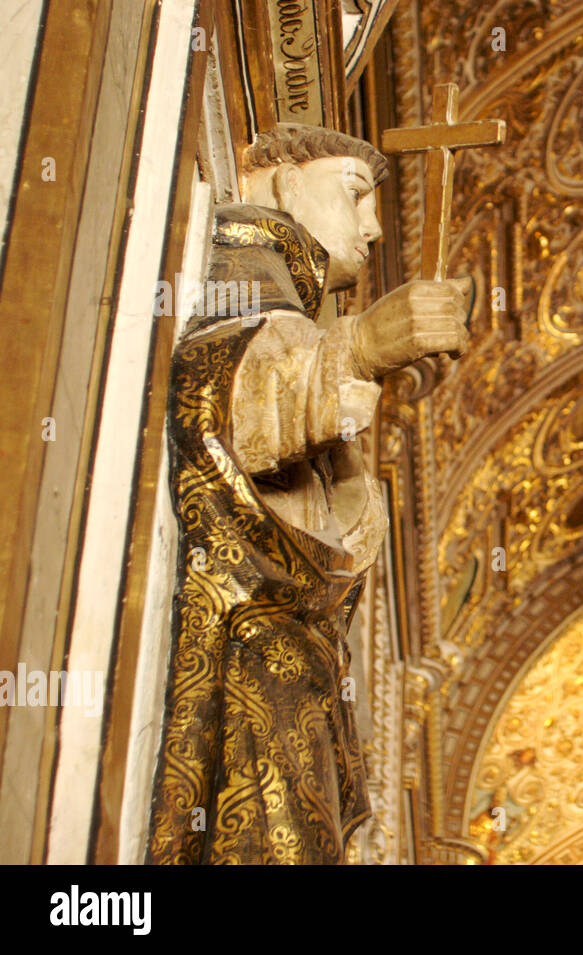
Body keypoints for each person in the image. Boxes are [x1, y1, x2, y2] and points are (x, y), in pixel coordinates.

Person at [148, 124, 470, 864]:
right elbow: (209, 395)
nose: (375, 224)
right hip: (251, 651)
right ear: (283, 182)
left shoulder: (290, 299)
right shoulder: (240, 261)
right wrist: (357, 348)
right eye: (355, 193)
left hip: (296, 673)